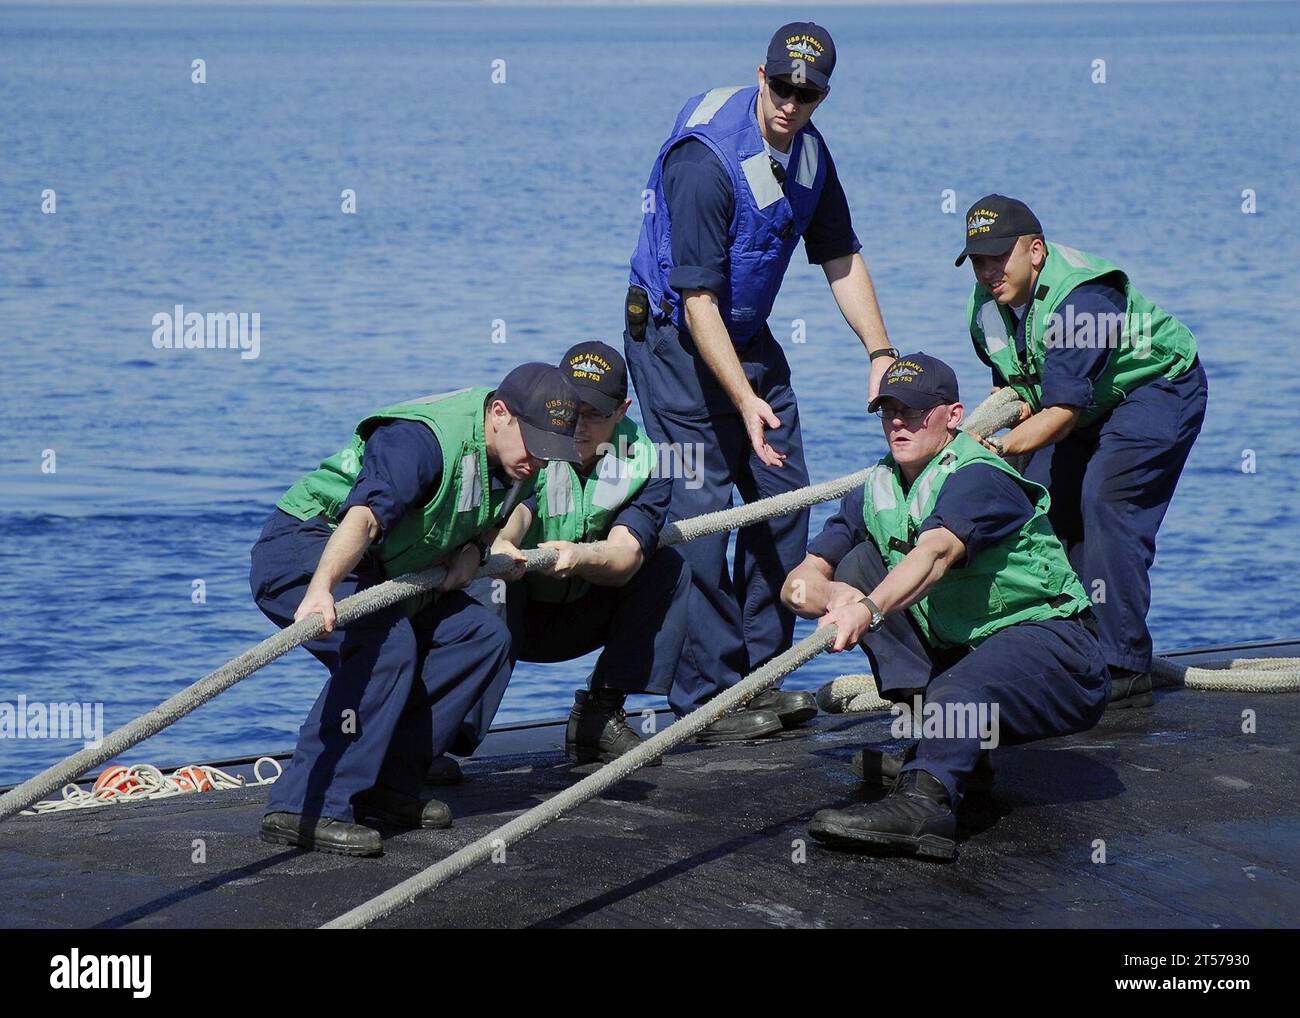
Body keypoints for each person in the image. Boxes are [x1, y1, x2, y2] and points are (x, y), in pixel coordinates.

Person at [624, 22, 897, 739]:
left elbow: (840, 256)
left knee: (785, 497)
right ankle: (705, 698)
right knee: (703, 509)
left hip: (745, 334)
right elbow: (696, 300)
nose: (791, 104)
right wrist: (742, 401)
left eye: (808, 95)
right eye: (781, 88)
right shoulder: (705, 161)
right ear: (760, 75)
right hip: (674, 342)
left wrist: (880, 352)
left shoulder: (808, 153)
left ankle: (756, 674)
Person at [782, 354, 1108, 860]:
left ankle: (924, 805)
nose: (897, 422)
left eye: (913, 411)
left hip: (1058, 650)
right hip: (973, 646)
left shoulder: (978, 477)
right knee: (863, 565)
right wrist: (831, 595)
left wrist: (866, 610)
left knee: (959, 680)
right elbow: (796, 585)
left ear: (953, 415)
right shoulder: (878, 487)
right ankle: (955, 757)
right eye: (887, 411)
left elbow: (934, 555)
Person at [249, 364, 580, 856]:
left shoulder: (518, 465)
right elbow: (362, 518)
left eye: (548, 448)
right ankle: (304, 807)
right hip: (311, 545)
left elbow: (484, 522)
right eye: (531, 442)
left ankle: (388, 783)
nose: (537, 458)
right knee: (385, 644)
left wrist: (473, 550)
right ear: (498, 413)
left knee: (481, 636)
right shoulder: (422, 443)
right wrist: (321, 589)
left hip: (387, 566)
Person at [956, 195, 1208, 707]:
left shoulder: (1083, 301)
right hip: (1083, 404)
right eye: (978, 260)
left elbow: (1063, 414)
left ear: (1036, 251)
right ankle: (1075, 643)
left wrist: (992, 451)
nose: (987, 271)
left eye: (998, 257)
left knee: (1106, 501)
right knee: (1044, 502)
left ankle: (1124, 662)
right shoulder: (986, 307)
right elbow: (1014, 387)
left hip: (1154, 387)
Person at [465, 342, 699, 760]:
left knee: (668, 566)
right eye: (572, 409)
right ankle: (443, 738)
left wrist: (579, 556)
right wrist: (504, 542)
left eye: (594, 415)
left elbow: (626, 556)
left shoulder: (648, 461)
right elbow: (521, 504)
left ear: (622, 410)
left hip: (581, 608)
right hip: (511, 610)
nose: (577, 425)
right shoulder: (531, 437)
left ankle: (600, 714)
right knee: (495, 581)